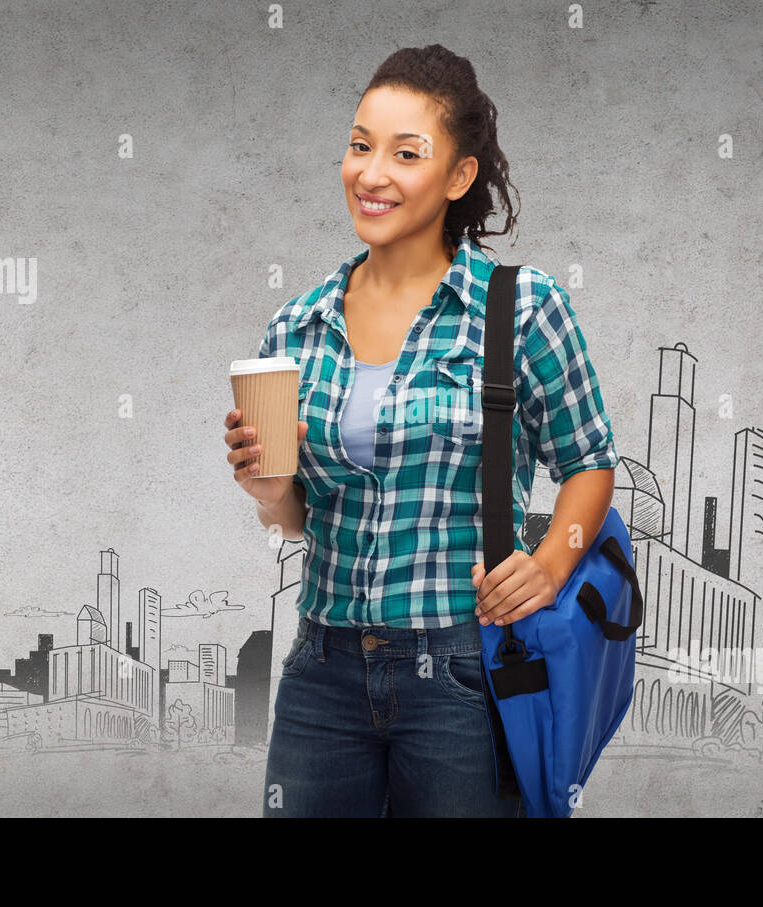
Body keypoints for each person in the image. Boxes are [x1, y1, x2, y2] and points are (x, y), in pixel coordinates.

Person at [225, 45, 619, 817]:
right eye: (360, 145)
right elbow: (293, 519)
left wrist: (546, 564)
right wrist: (269, 493)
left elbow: (589, 459)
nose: (372, 174)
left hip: (464, 669)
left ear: (459, 176)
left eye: (407, 154)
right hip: (322, 667)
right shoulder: (295, 327)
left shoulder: (520, 308)